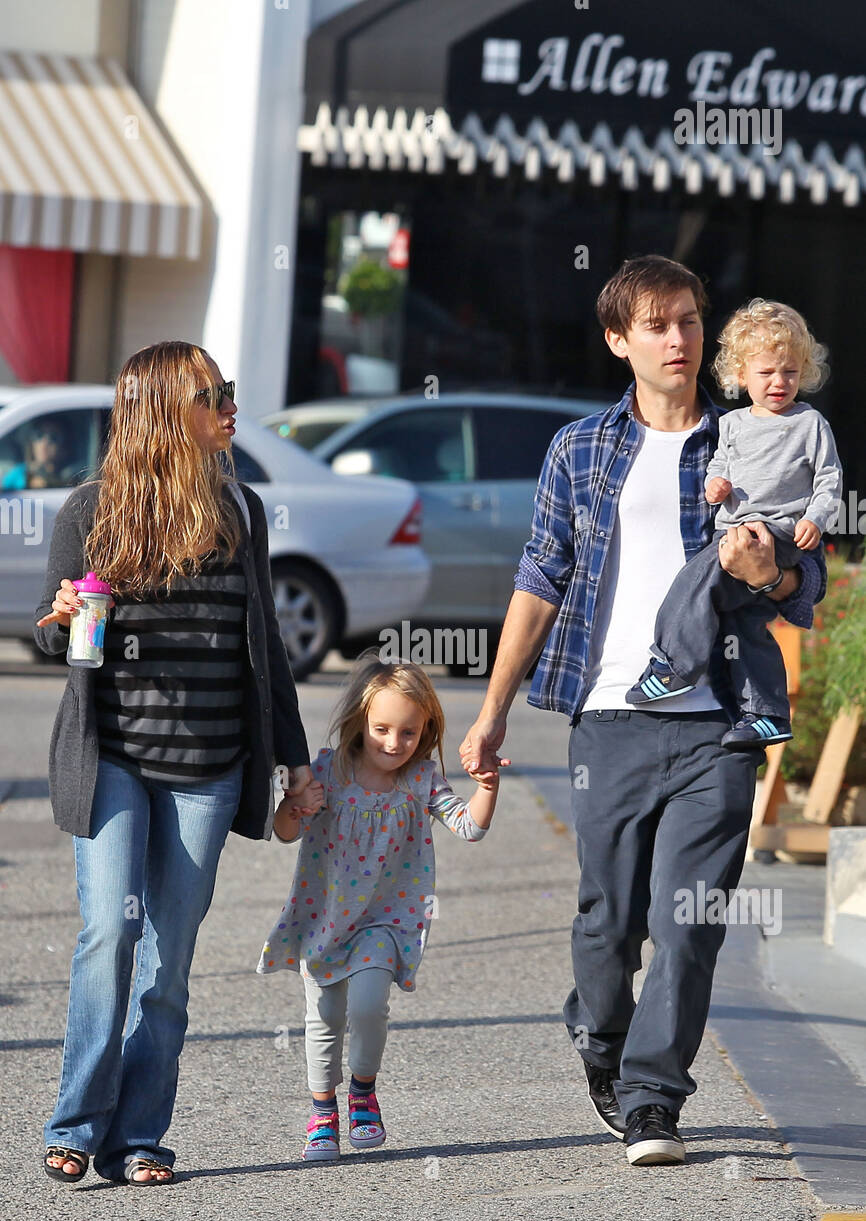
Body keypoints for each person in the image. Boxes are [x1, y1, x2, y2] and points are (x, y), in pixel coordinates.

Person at [460, 255, 826, 1167]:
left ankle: (655, 1100)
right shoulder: (581, 448)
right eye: (657, 325)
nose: (679, 339)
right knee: (607, 920)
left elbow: (802, 580)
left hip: (723, 721)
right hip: (612, 716)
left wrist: (770, 573)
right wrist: (492, 711)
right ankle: (605, 1045)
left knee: (690, 920)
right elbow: (541, 578)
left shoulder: (748, 440)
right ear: (620, 340)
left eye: (691, 321)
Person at [36, 341, 313, 1186]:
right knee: (109, 932)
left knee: (169, 962)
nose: (231, 404)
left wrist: (295, 766)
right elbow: (65, 645)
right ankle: (77, 1124)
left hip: (208, 765)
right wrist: (64, 620)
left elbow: (263, 643)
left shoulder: (242, 510)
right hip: (114, 755)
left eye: (228, 389)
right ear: (163, 410)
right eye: (212, 394)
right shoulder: (90, 512)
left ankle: (140, 1136)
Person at [256, 651, 500, 1161]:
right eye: (383, 729)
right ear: (359, 721)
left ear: (425, 730)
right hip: (324, 916)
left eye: (409, 733)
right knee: (323, 1018)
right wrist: (293, 806)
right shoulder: (327, 770)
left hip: (386, 922)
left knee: (367, 1007)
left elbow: (470, 827)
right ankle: (323, 1109)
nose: (394, 743)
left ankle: (362, 1093)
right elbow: (284, 833)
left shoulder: (421, 779)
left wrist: (487, 788)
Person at [626, 299, 842, 748]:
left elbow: (829, 480)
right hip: (733, 532)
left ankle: (675, 666)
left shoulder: (810, 424)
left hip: (780, 535)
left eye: (790, 372)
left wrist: (816, 521)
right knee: (745, 626)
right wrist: (715, 485)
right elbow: (719, 466)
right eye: (766, 374)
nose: (779, 383)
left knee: (695, 581)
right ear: (741, 375)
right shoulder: (733, 424)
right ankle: (766, 715)